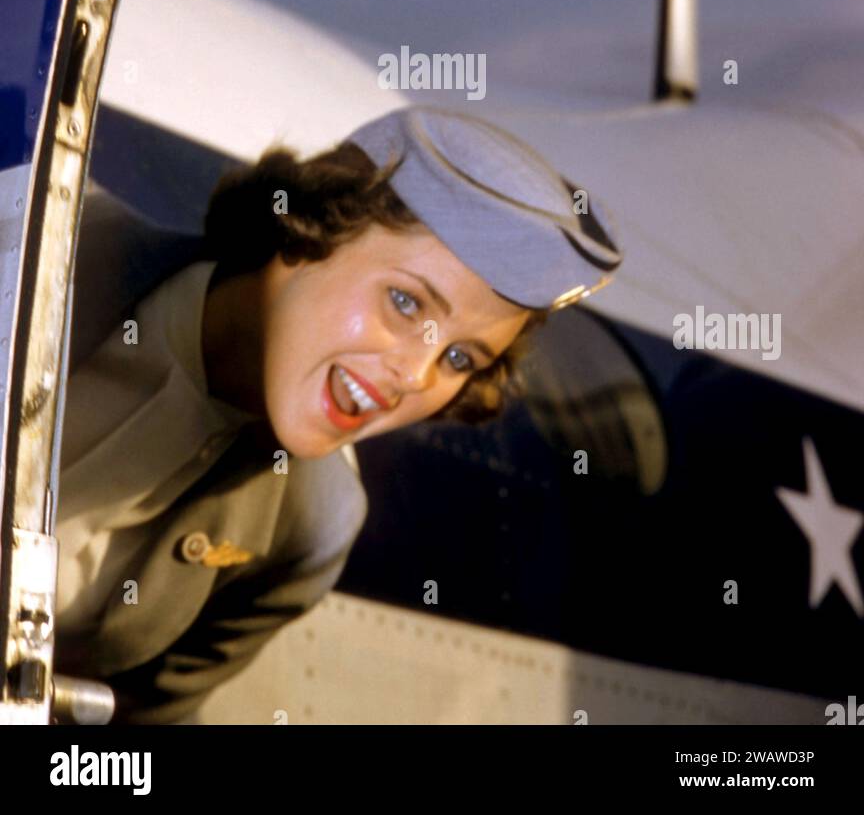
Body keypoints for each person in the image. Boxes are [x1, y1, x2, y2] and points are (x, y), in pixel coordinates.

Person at [53, 105, 623, 724]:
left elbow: (133, 737)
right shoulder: (44, 248)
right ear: (309, 228)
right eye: (405, 302)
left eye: (460, 357)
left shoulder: (313, 525)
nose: (415, 376)